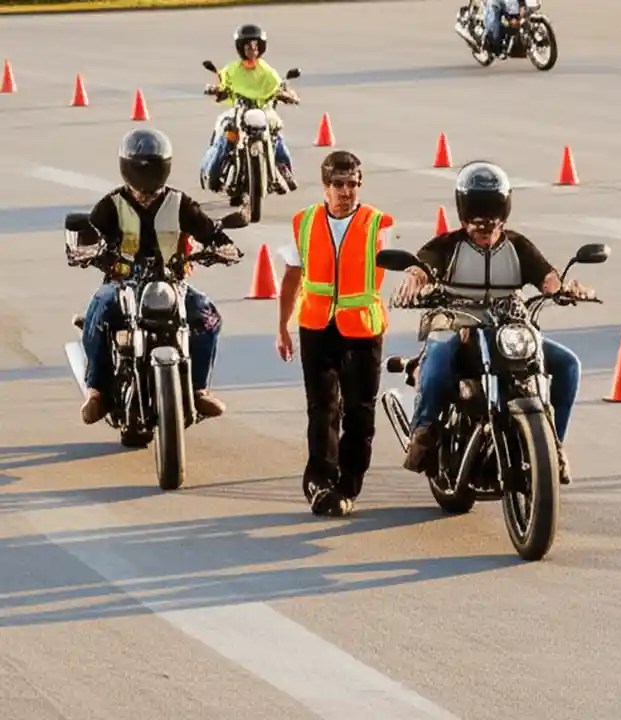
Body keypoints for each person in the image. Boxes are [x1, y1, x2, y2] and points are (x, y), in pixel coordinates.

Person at [397, 160, 592, 485]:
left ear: (503, 216)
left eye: (491, 225)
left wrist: (565, 289)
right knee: (440, 355)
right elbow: (422, 266)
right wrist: (414, 281)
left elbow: (546, 275)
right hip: (456, 324)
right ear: (463, 218)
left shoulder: (517, 246)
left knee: (568, 364)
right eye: (477, 226)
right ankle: (423, 432)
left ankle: (553, 443)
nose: (485, 233)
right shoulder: (448, 246)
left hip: (508, 329)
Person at [77, 128, 241, 425]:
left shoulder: (180, 203)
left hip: (171, 283)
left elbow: (210, 232)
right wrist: (84, 251)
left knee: (208, 317)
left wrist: (224, 247)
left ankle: (199, 388)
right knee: (97, 311)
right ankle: (96, 392)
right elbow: (86, 235)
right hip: (121, 284)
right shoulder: (111, 204)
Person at [275, 150, 395, 517]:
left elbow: (396, 259)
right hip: (316, 325)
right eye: (338, 185)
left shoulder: (378, 223)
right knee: (322, 407)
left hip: (362, 327)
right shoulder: (304, 222)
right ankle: (320, 480)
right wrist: (282, 326)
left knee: (359, 412)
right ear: (325, 187)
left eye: (352, 184)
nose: (346, 192)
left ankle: (348, 484)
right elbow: (293, 276)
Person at [199, 23, 298, 195]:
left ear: (261, 48)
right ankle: (211, 171)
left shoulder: (268, 72)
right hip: (240, 109)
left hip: (263, 111)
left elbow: (279, 87)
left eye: (255, 46)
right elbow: (224, 86)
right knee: (225, 131)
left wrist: (288, 95)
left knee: (276, 133)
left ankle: (284, 169)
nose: (252, 50)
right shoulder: (231, 70)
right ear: (240, 48)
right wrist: (216, 90)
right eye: (248, 46)